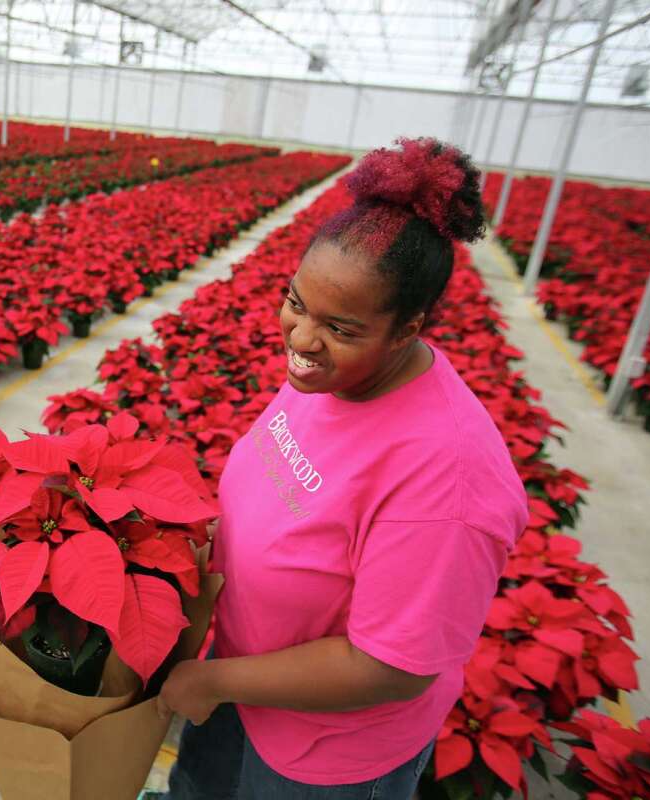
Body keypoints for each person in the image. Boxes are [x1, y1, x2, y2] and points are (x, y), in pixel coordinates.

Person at [149, 139, 528, 799]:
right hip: (242, 684)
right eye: (296, 303)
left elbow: (389, 667)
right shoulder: (329, 377)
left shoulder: (447, 480)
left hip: (326, 754)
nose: (299, 339)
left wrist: (213, 682)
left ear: (408, 329)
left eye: (341, 328)